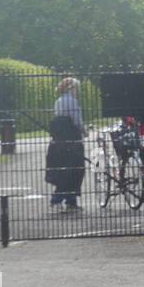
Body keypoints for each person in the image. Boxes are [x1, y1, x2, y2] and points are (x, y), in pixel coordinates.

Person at [45, 77, 86, 210]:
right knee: (75, 169)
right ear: (71, 88)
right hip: (73, 139)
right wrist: (84, 131)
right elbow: (77, 121)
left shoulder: (58, 101)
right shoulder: (72, 102)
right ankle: (60, 198)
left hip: (60, 140)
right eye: (75, 88)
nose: (77, 91)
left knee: (65, 169)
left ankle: (70, 200)